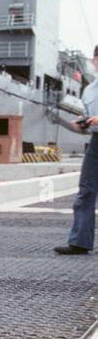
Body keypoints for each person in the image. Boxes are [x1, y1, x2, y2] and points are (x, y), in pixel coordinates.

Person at [54, 46, 98, 255]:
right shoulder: (89, 90)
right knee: (86, 190)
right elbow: (88, 118)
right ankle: (80, 241)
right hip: (96, 141)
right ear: (94, 60)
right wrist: (80, 124)